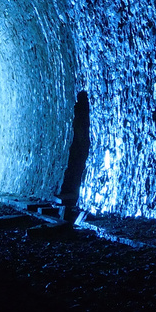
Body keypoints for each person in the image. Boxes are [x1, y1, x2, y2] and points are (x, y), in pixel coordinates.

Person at [60, 90, 92, 220]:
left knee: (74, 168)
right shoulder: (82, 113)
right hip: (80, 145)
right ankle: (73, 191)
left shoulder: (78, 111)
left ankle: (71, 190)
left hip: (77, 145)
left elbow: (77, 126)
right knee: (77, 169)